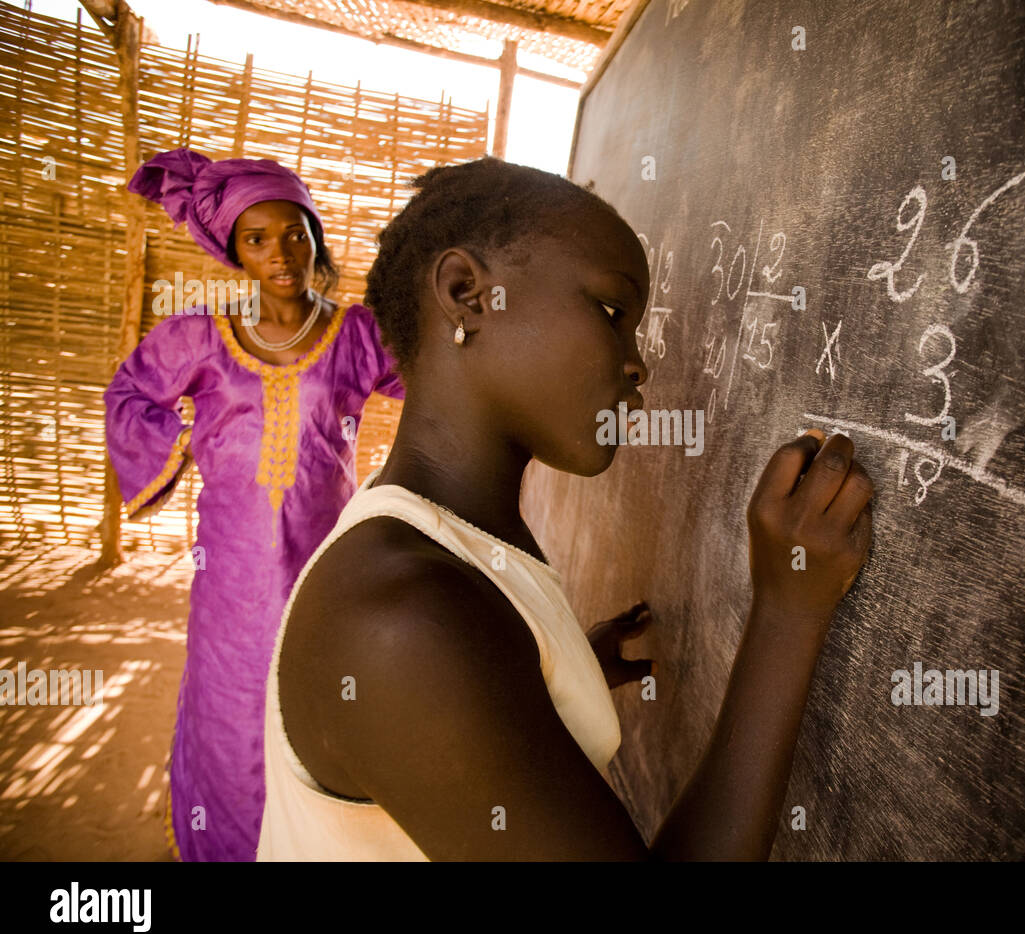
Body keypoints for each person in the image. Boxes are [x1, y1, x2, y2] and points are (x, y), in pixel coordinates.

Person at [257, 157, 875, 861]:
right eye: (612, 312)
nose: (639, 363)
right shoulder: (401, 618)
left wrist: (546, 678)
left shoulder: (420, 528)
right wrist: (788, 611)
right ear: (468, 294)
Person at [103, 148, 405, 861]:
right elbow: (130, 393)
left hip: (323, 569)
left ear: (315, 236)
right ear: (234, 249)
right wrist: (179, 442)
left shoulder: (355, 336)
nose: (281, 253)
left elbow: (441, 371)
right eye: (257, 239)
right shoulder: (201, 335)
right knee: (232, 712)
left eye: (295, 233)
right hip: (231, 573)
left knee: (318, 709)